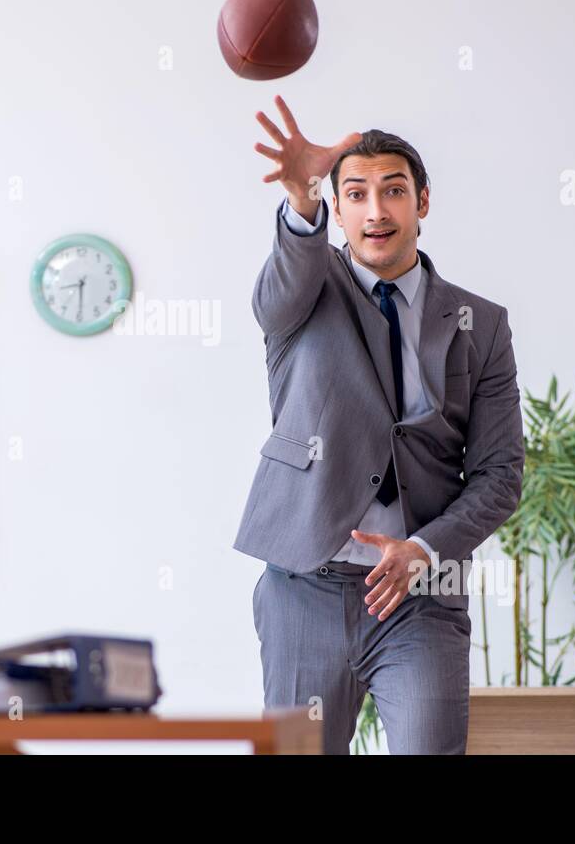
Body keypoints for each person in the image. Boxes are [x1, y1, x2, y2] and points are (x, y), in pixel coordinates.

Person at [234, 95, 525, 754]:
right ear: (336, 209)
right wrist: (301, 205)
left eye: (393, 191)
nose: (376, 210)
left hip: (421, 596)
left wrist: (423, 550)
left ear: (423, 201)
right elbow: (283, 280)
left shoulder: (482, 324)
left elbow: (499, 474)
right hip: (304, 587)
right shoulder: (304, 294)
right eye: (356, 192)